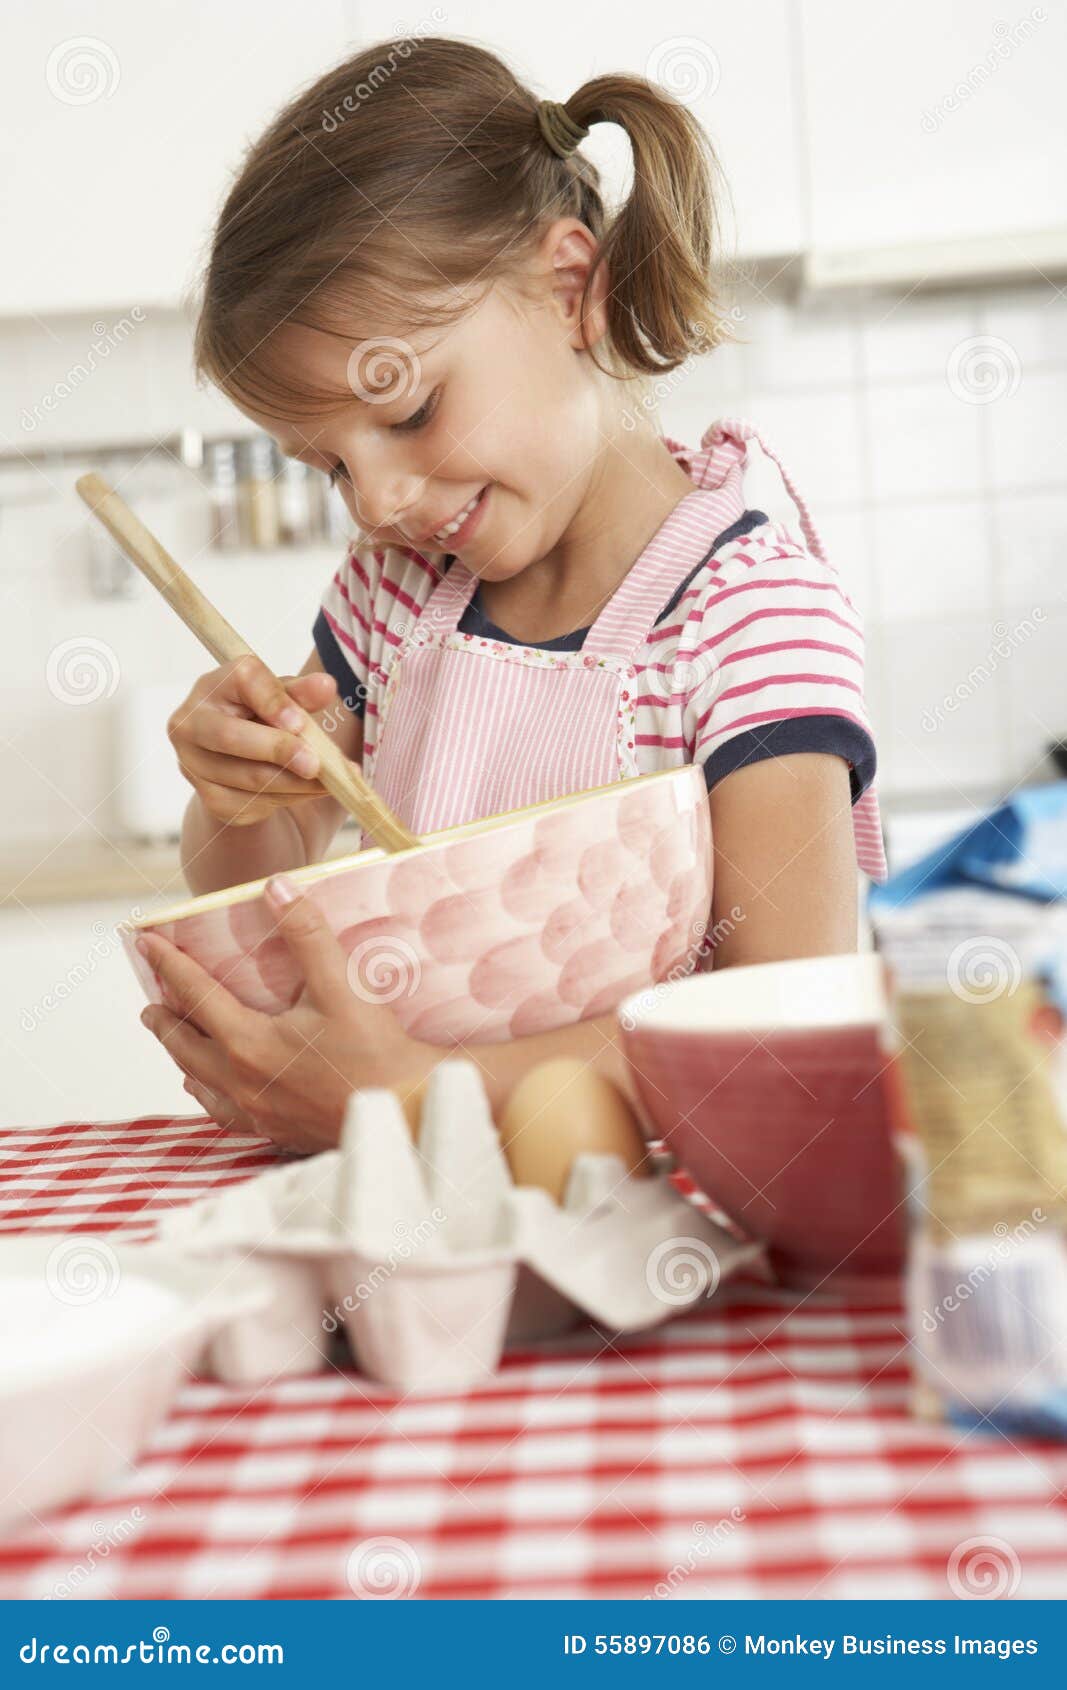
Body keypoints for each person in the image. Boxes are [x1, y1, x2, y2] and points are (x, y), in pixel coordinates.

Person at [138, 37, 886, 1149]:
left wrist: (409, 1091)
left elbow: (781, 1025)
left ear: (570, 286)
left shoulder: (745, 616)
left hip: (677, 1220)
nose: (376, 499)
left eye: (406, 412)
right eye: (330, 463)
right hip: (441, 1204)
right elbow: (263, 884)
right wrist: (237, 800)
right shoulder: (392, 600)